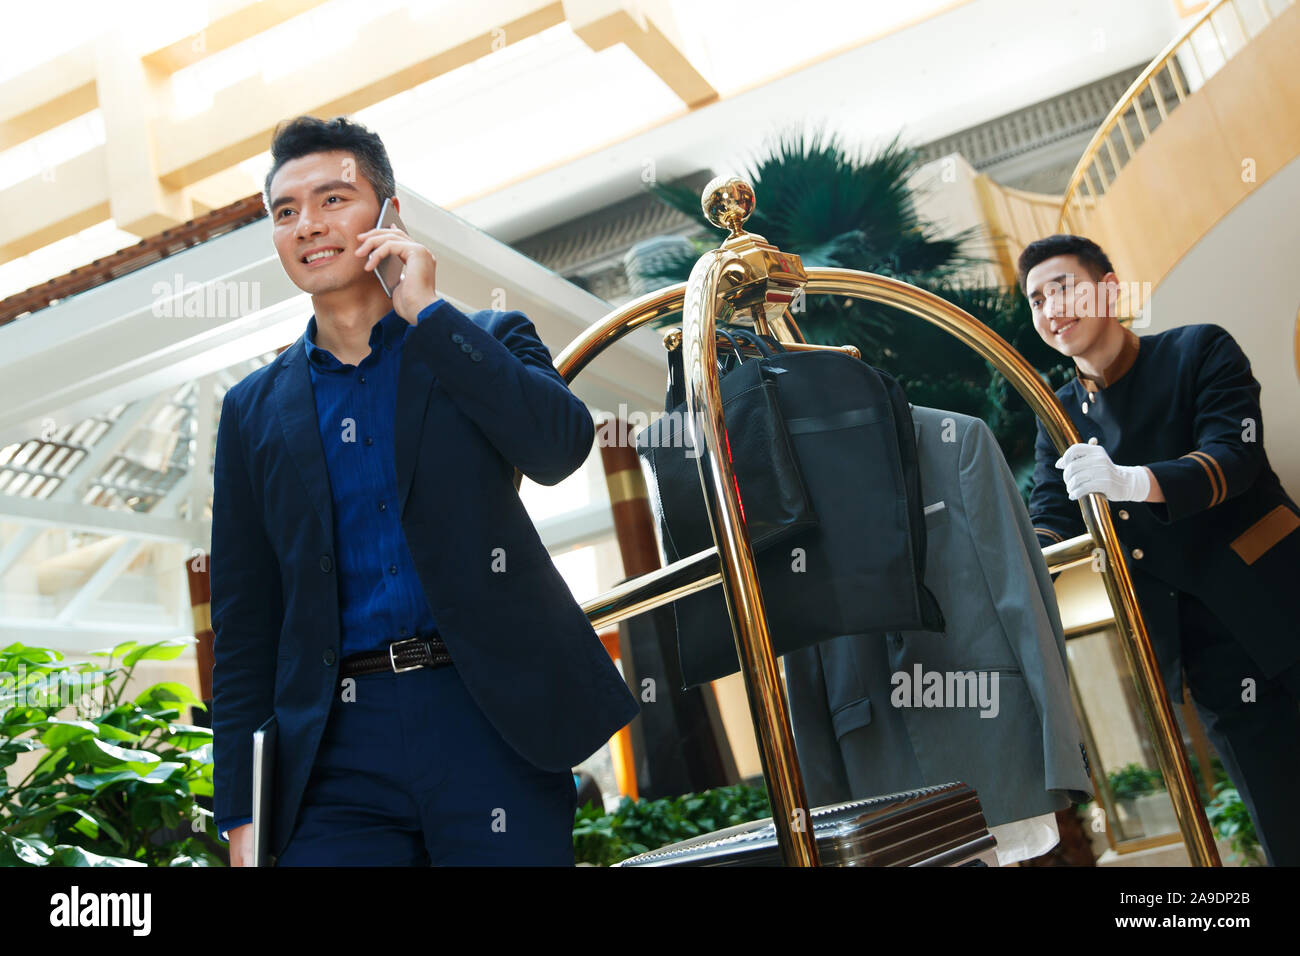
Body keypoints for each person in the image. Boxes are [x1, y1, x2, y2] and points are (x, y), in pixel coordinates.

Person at [209, 116, 638, 866]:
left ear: (388, 214)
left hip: (489, 719)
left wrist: (430, 316)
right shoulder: (251, 411)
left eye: (333, 199)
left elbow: (558, 447)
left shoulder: (485, 338)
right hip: (334, 751)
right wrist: (241, 812)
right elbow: (245, 622)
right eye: (285, 211)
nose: (307, 224)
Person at [1021, 234, 1300, 866]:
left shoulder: (1198, 348)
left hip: (1284, 598)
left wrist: (1128, 481)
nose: (1050, 308)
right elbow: (1051, 516)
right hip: (1203, 648)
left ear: (1111, 288)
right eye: (1036, 299)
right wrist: (1027, 558)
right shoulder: (1058, 414)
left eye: (1063, 286)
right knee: (1285, 830)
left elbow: (1236, 457)